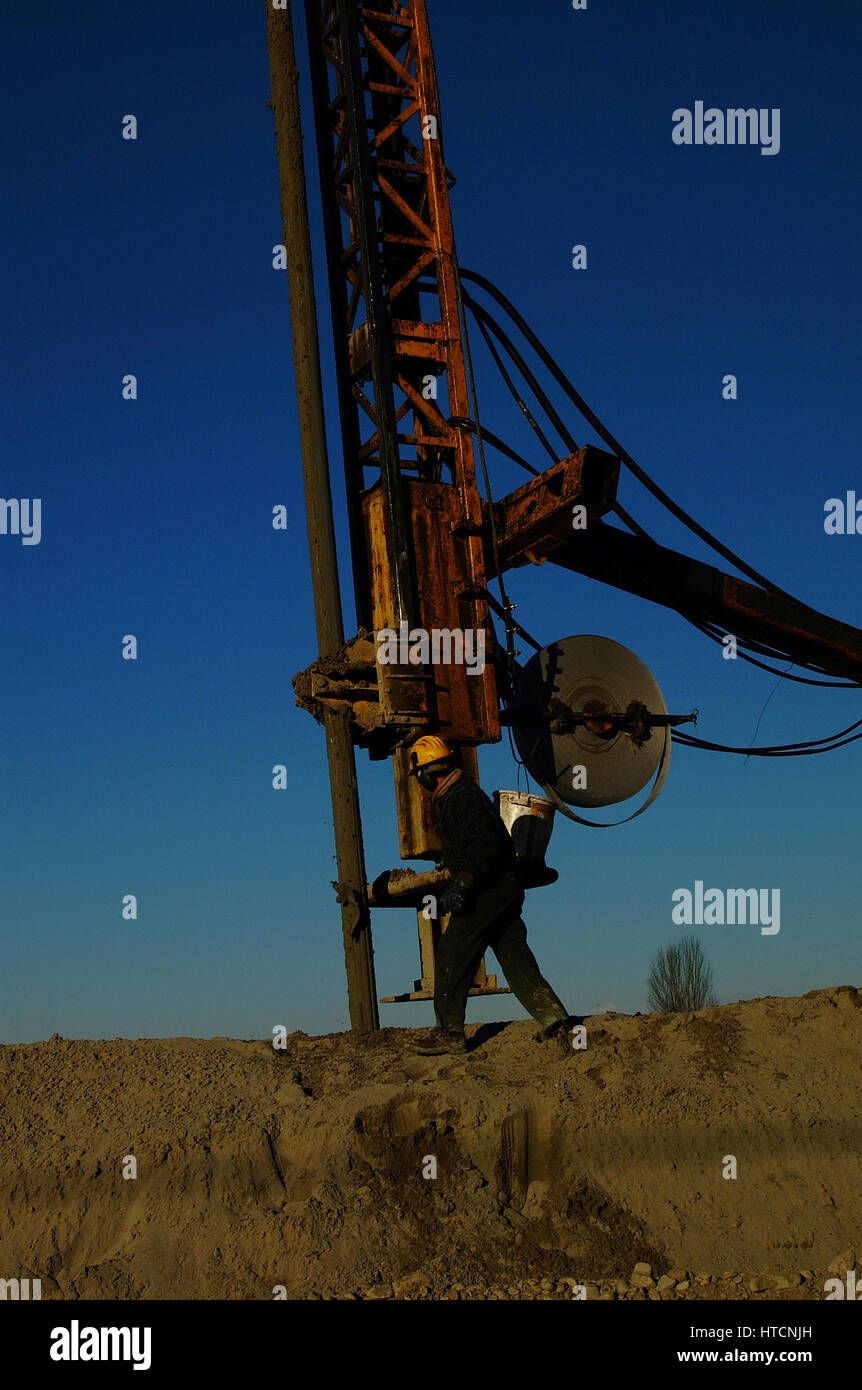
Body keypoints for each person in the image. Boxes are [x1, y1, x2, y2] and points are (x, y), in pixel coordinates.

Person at [405, 735, 577, 1055]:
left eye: (418, 776)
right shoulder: (457, 796)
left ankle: (449, 1032)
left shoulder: (462, 798)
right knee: (516, 959)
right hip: (504, 887)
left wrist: (465, 882)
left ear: (429, 773)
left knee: (452, 957)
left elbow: (486, 845)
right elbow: (473, 842)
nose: (418, 783)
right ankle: (557, 1023)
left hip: (488, 890)